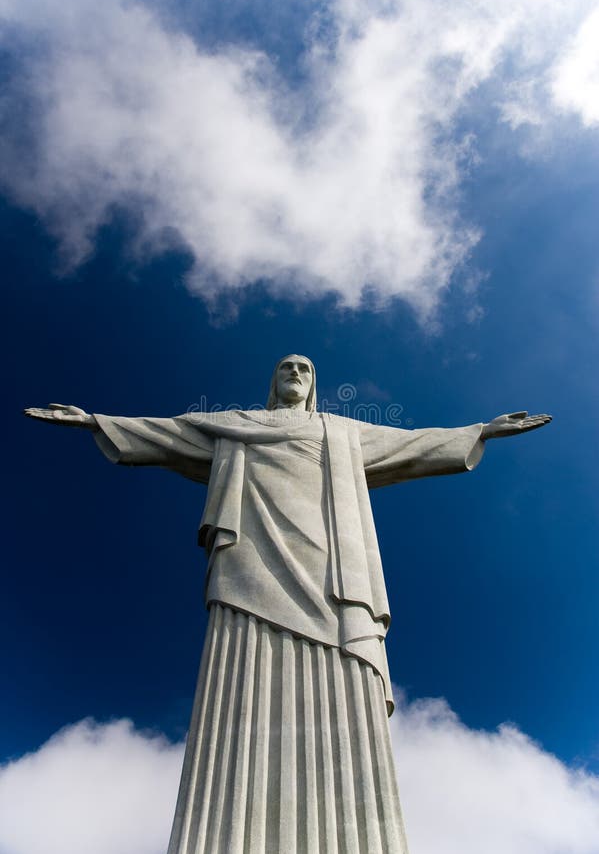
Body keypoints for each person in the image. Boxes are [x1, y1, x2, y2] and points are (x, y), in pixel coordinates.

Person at [25, 355, 551, 854]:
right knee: (241, 673)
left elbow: (410, 444)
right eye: (286, 367)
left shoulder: (342, 431)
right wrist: (95, 421)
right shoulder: (234, 424)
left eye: (304, 368)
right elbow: (168, 433)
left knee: (343, 685)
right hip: (249, 563)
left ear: (313, 383)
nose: (295, 373)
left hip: (335, 576)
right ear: (273, 381)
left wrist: (480, 430)